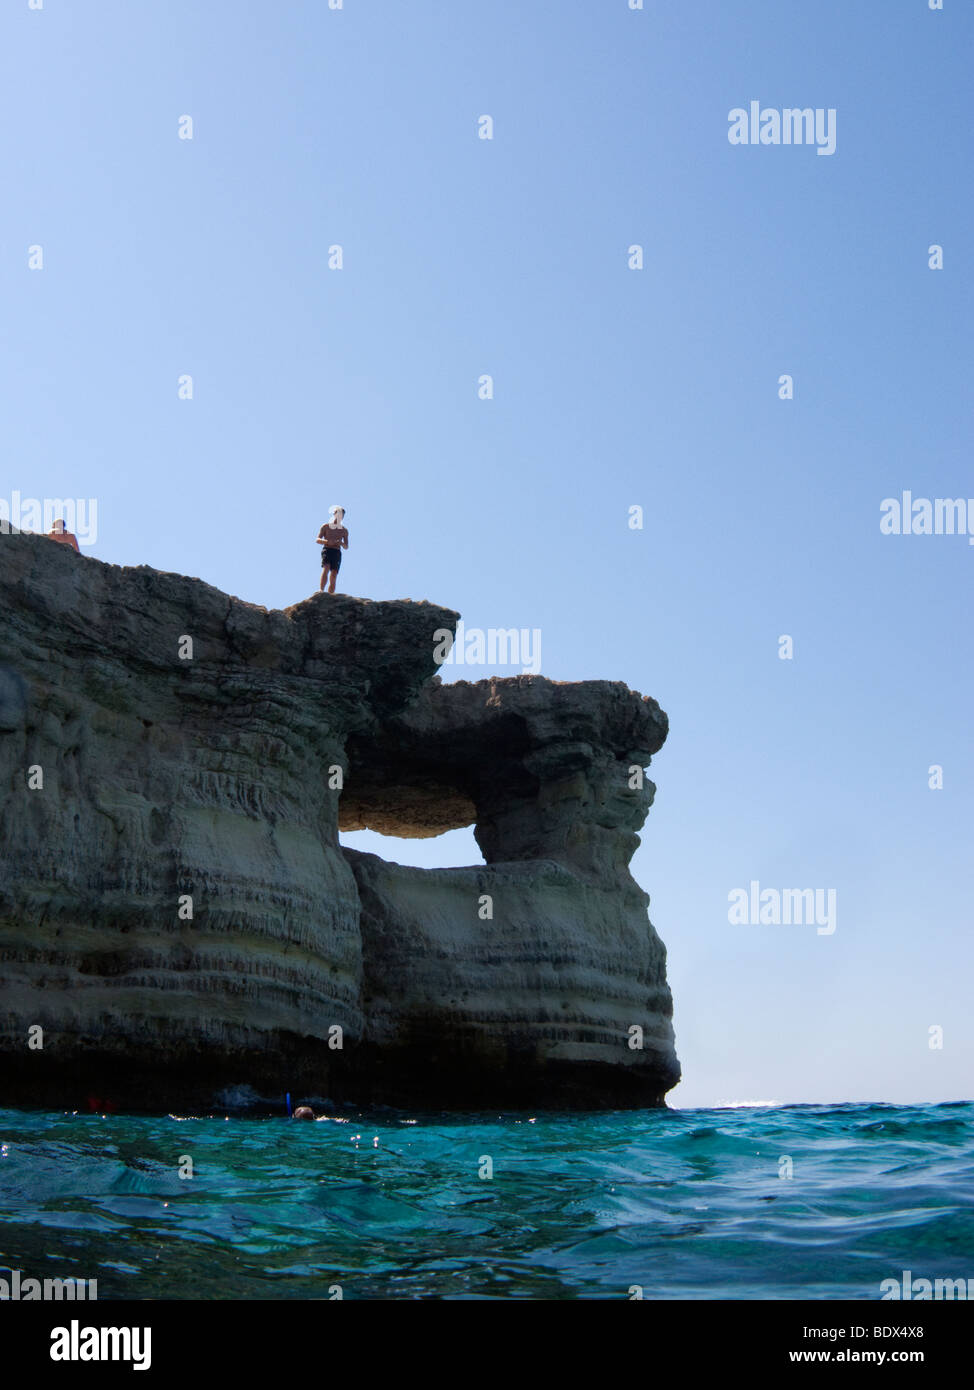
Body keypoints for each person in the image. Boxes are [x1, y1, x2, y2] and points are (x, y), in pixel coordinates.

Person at [316, 506, 348, 593]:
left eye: (341, 515)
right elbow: (317, 540)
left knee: (334, 573)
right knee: (326, 568)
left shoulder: (344, 530)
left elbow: (346, 546)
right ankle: (321, 590)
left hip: (336, 551)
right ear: (334, 514)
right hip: (327, 549)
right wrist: (327, 541)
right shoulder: (326, 526)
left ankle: (331, 594)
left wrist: (340, 543)